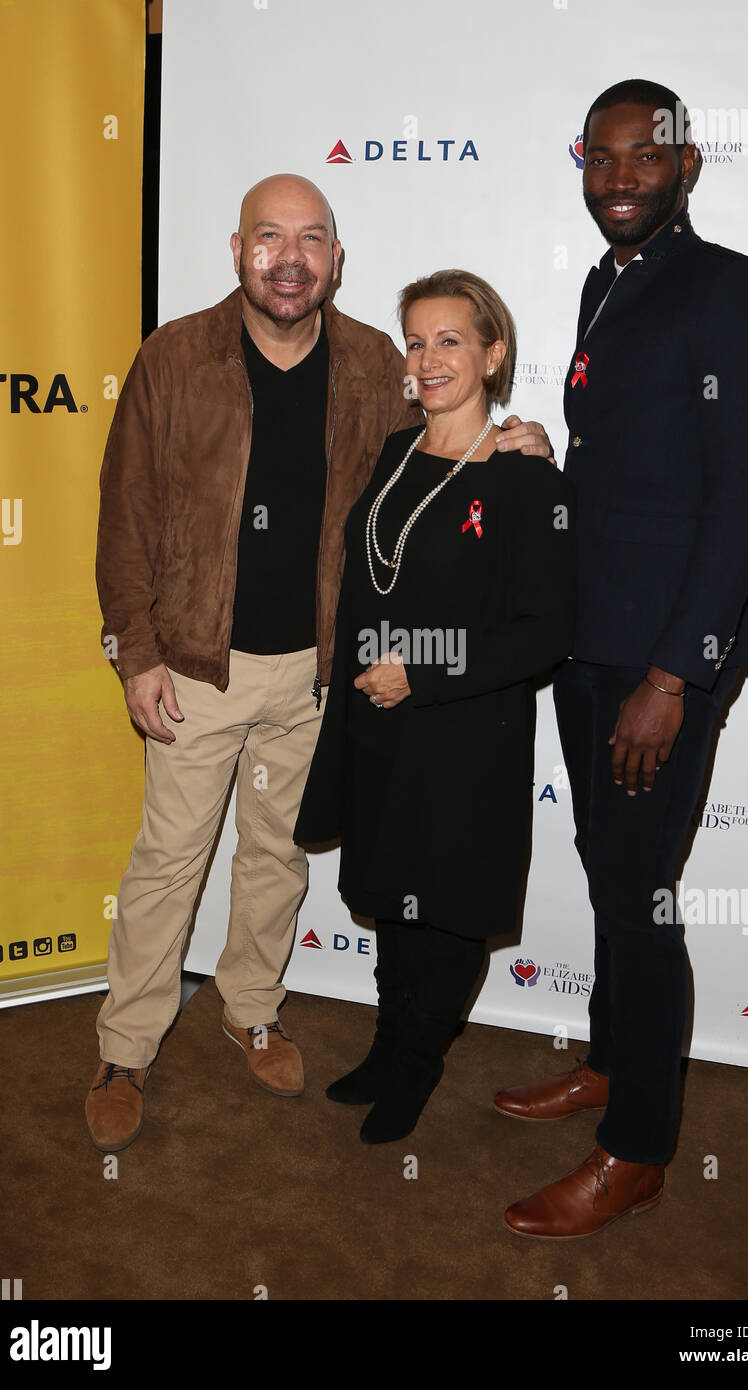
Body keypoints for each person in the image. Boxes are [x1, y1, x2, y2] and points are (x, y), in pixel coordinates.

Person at [88, 175, 553, 1152]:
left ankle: (249, 1005)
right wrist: (136, 653)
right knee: (169, 861)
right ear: (236, 250)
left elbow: (440, 445)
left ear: (336, 260)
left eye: (310, 239)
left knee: (276, 853)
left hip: (317, 671)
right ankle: (124, 1046)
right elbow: (124, 518)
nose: (289, 256)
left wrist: (518, 439)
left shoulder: (379, 363)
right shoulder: (173, 359)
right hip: (196, 664)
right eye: (269, 237)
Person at [496, 81, 748, 1238]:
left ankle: (637, 1149)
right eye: (601, 157)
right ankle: (617, 1065)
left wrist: (674, 676)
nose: (619, 176)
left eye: (643, 156)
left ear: (686, 166)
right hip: (587, 640)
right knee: (611, 874)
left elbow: (744, 503)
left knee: (641, 893)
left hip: (659, 663)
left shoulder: (735, 292)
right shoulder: (602, 287)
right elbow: (631, 470)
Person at [294, 270, 576, 1145]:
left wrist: (423, 668)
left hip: (464, 734)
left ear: (494, 354)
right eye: (416, 341)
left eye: (450, 340)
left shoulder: (527, 479)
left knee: (445, 906)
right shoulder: (393, 452)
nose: (428, 359)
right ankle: (387, 1045)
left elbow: (546, 631)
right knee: (391, 896)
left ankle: (417, 1065)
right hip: (380, 725)